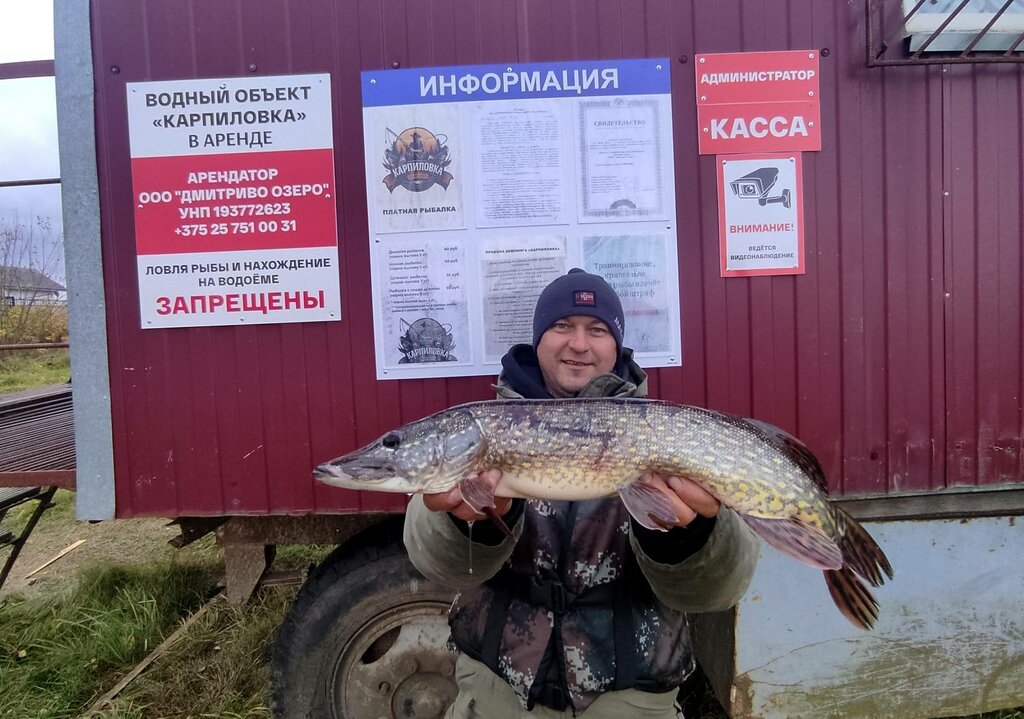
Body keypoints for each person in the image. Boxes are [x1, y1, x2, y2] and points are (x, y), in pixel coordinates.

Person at [404, 268, 759, 718]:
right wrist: (462, 524)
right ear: (538, 339)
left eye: (596, 330)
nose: (578, 343)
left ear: (617, 346)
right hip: (498, 693)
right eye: (561, 326)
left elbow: (717, 592)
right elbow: (439, 565)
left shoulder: (660, 432)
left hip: (628, 698)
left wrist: (688, 540)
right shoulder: (481, 432)